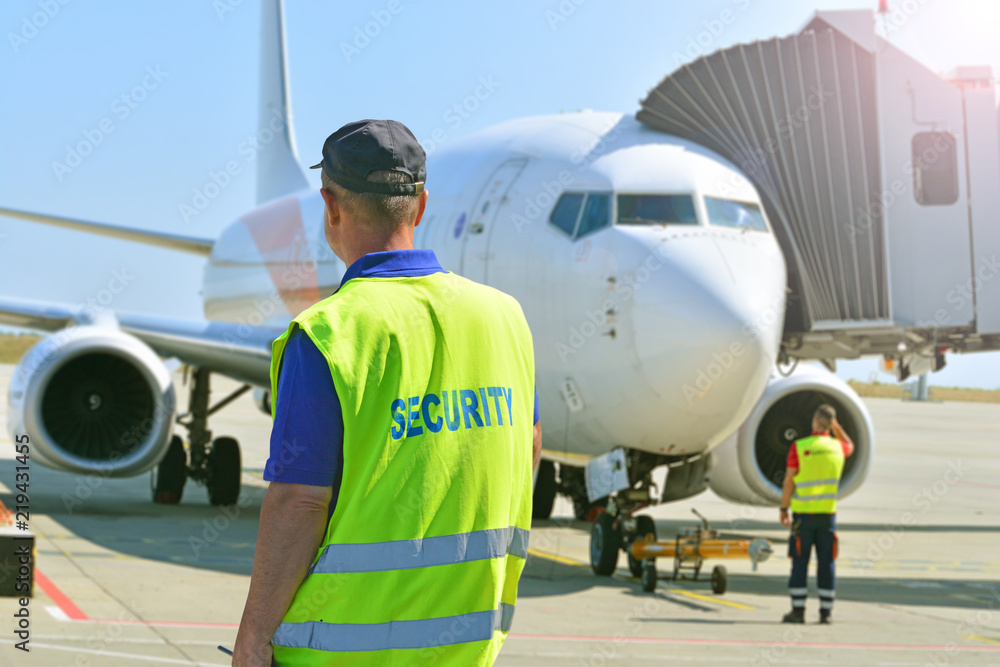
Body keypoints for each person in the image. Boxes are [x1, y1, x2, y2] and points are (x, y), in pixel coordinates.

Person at [233, 119, 542, 666]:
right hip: (467, 646)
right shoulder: (506, 318)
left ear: (331, 206)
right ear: (420, 206)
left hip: (338, 653)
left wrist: (253, 638)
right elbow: (529, 448)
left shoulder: (327, 334)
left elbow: (300, 501)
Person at [779, 403, 853, 625]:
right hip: (828, 516)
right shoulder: (839, 447)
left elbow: (789, 480)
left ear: (813, 421)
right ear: (831, 424)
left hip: (803, 516)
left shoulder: (800, 447)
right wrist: (837, 428)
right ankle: (826, 612)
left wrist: (783, 508)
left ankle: (798, 610)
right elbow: (851, 444)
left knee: (800, 562)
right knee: (827, 563)